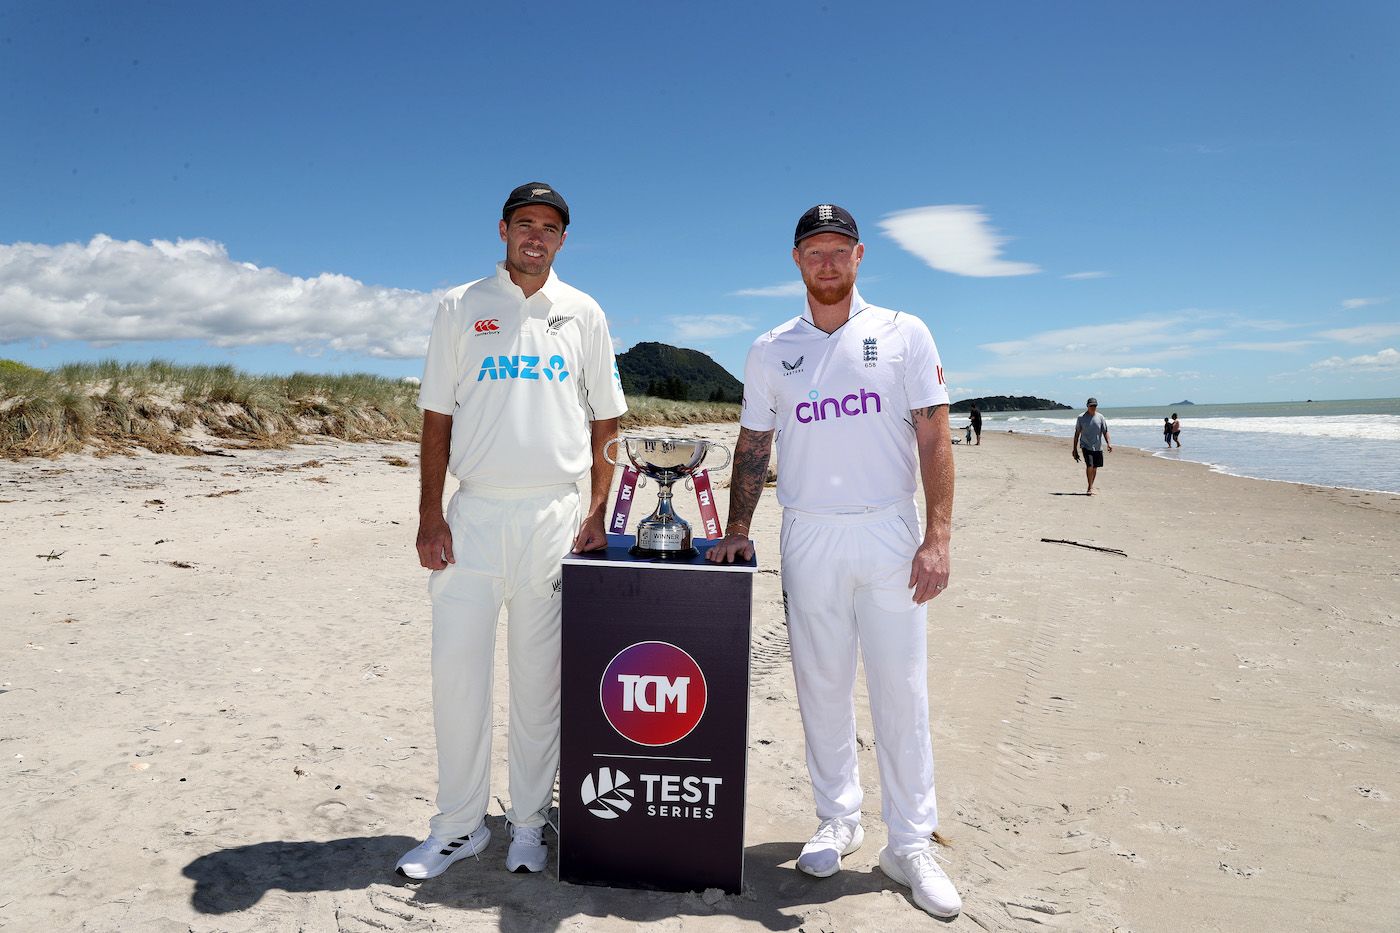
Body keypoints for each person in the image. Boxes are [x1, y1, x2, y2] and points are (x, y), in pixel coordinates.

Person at [707, 203, 962, 919]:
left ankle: (909, 843)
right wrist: (737, 525)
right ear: (796, 260)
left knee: (900, 689)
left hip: (888, 529)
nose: (826, 262)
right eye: (813, 251)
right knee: (820, 684)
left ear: (859, 257)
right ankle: (838, 818)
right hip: (808, 531)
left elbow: (936, 438)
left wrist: (937, 536)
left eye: (838, 250)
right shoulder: (769, 349)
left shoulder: (903, 333)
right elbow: (754, 444)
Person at [398, 182, 627, 880]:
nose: (536, 236)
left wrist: (596, 512)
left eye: (549, 227)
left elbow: (606, 421)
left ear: (563, 240)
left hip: (554, 520)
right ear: (502, 230)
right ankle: (459, 827)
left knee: (538, 685)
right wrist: (429, 512)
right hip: (474, 515)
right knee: (457, 677)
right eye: (524, 224)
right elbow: (437, 416)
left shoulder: (582, 312)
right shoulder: (460, 306)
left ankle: (528, 823)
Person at [1072, 398, 1112, 495]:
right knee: (1090, 465)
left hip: (1097, 446)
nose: (1093, 407)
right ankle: (1089, 488)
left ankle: (1091, 485)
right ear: (1087, 406)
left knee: (1095, 468)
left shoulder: (1100, 417)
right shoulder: (1081, 417)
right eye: (1091, 406)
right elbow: (1077, 433)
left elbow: (1105, 431)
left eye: (1095, 406)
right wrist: (1074, 449)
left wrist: (1109, 443)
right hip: (1085, 445)